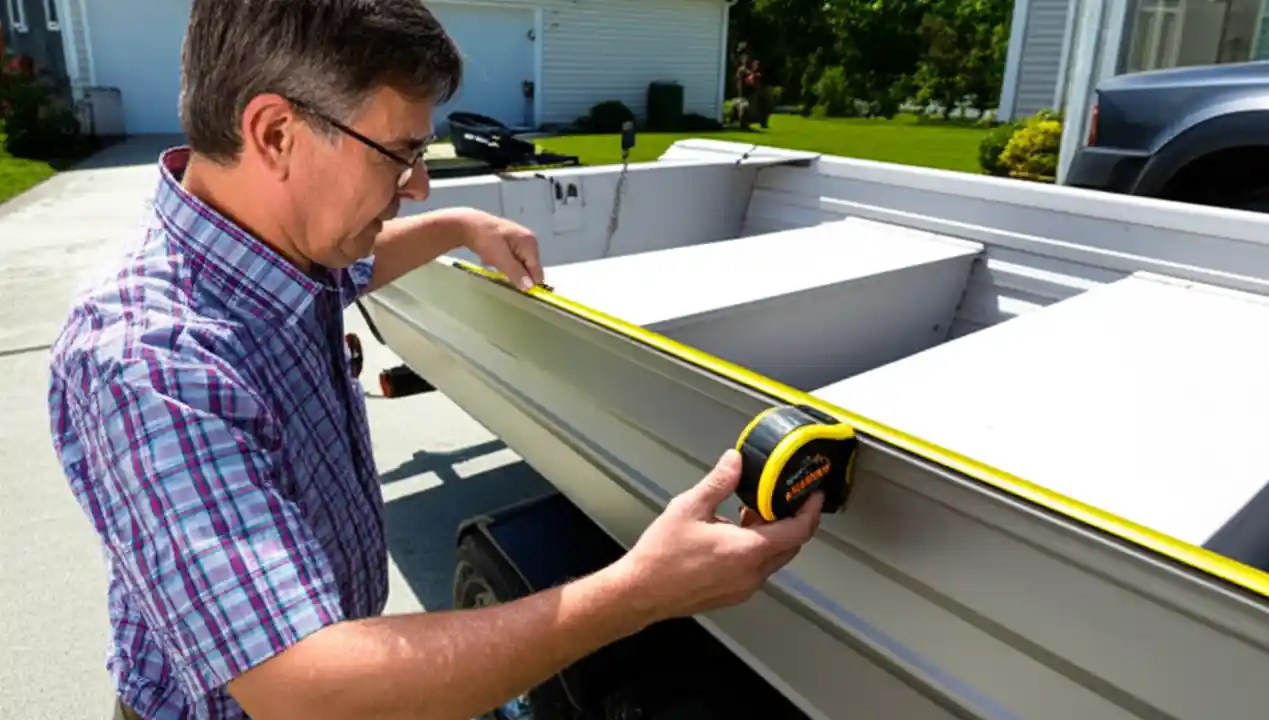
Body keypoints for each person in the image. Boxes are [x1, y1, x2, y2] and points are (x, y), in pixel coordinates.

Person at [45, 2, 825, 719]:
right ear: (276, 134)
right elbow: (310, 687)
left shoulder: (281, 243)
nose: (416, 185)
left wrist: (457, 225)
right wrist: (640, 592)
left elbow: (354, 264)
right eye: (401, 152)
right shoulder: (150, 364)